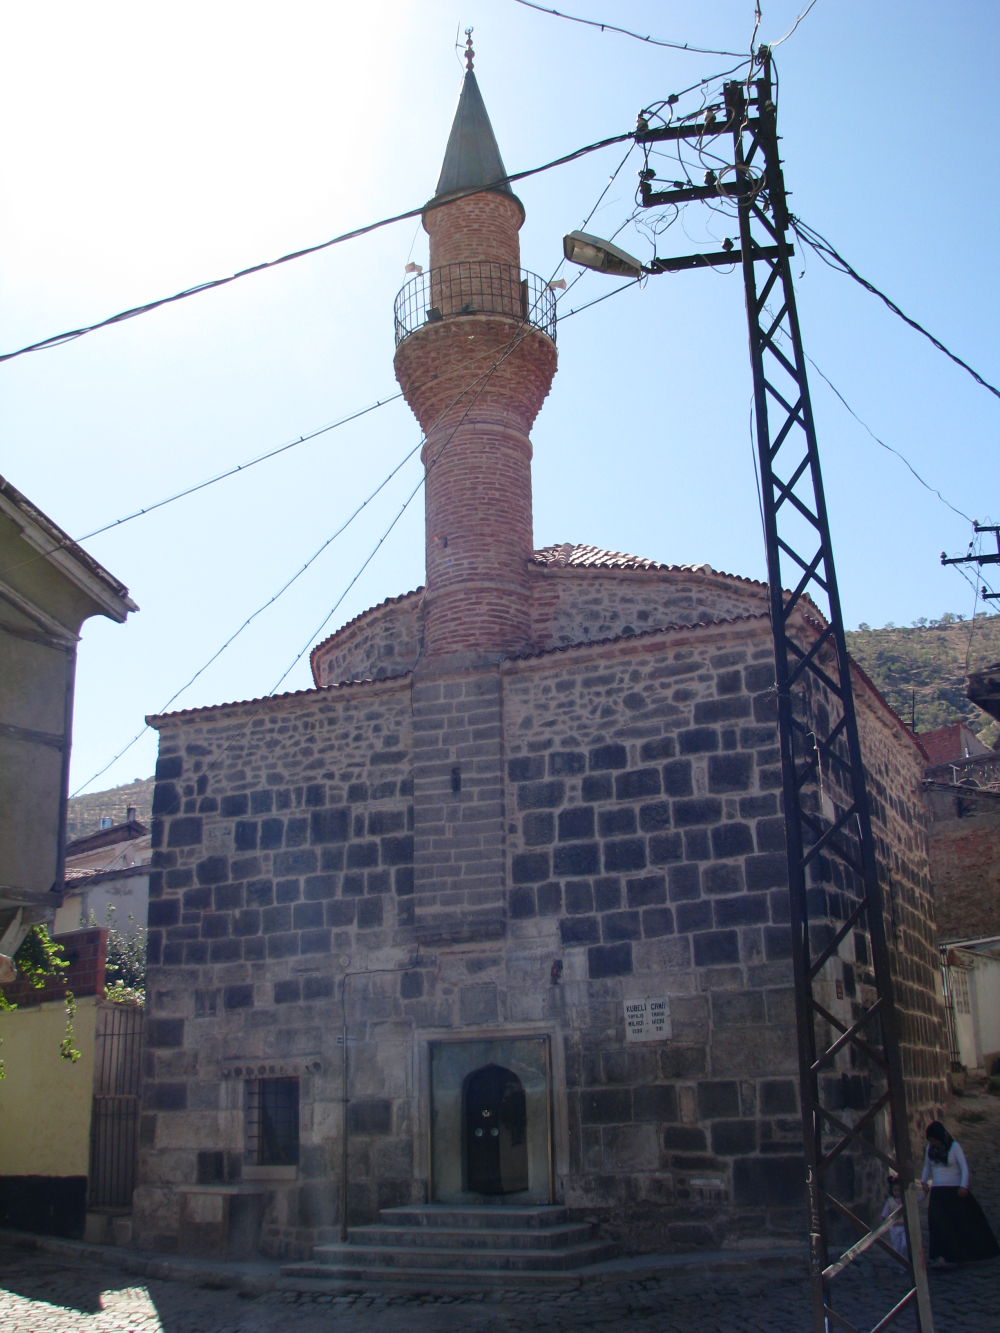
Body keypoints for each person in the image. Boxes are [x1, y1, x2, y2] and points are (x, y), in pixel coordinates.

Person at [921, 1120, 1000, 1268]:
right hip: (938, 1191)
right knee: (938, 1225)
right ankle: (941, 1257)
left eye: (935, 1140)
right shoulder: (929, 1150)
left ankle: (962, 1255)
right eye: (930, 1141)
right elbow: (927, 1167)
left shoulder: (955, 1147)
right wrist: (924, 1181)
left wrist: (964, 1186)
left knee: (960, 1224)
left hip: (955, 1191)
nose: (933, 1143)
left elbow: (964, 1168)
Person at [881, 1175, 909, 1260]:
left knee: (905, 1245)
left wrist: (924, 1194)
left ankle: (907, 1262)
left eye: (899, 1190)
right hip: (894, 1228)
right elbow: (885, 1212)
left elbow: (917, 1199)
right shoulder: (890, 1201)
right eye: (895, 1190)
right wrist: (883, 1219)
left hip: (904, 1226)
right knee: (897, 1249)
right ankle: (902, 1267)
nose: (897, 1192)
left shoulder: (906, 1199)